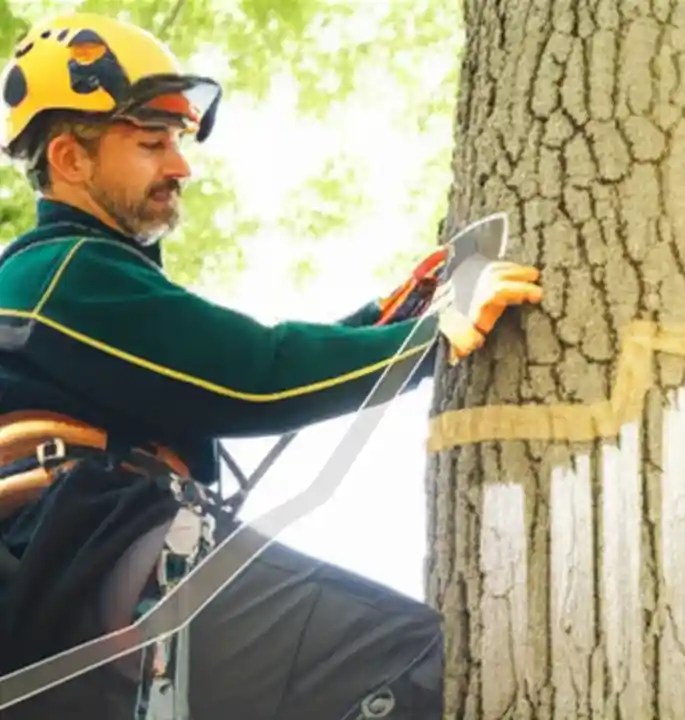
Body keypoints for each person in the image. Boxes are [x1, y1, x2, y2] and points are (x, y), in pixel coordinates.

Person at [0, 12, 542, 720]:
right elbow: (252, 372)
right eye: (152, 142)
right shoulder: (61, 273)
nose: (180, 165)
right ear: (71, 159)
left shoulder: (69, 285)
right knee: (398, 657)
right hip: (88, 565)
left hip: (66, 596)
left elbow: (236, 358)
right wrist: (429, 339)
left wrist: (395, 315)